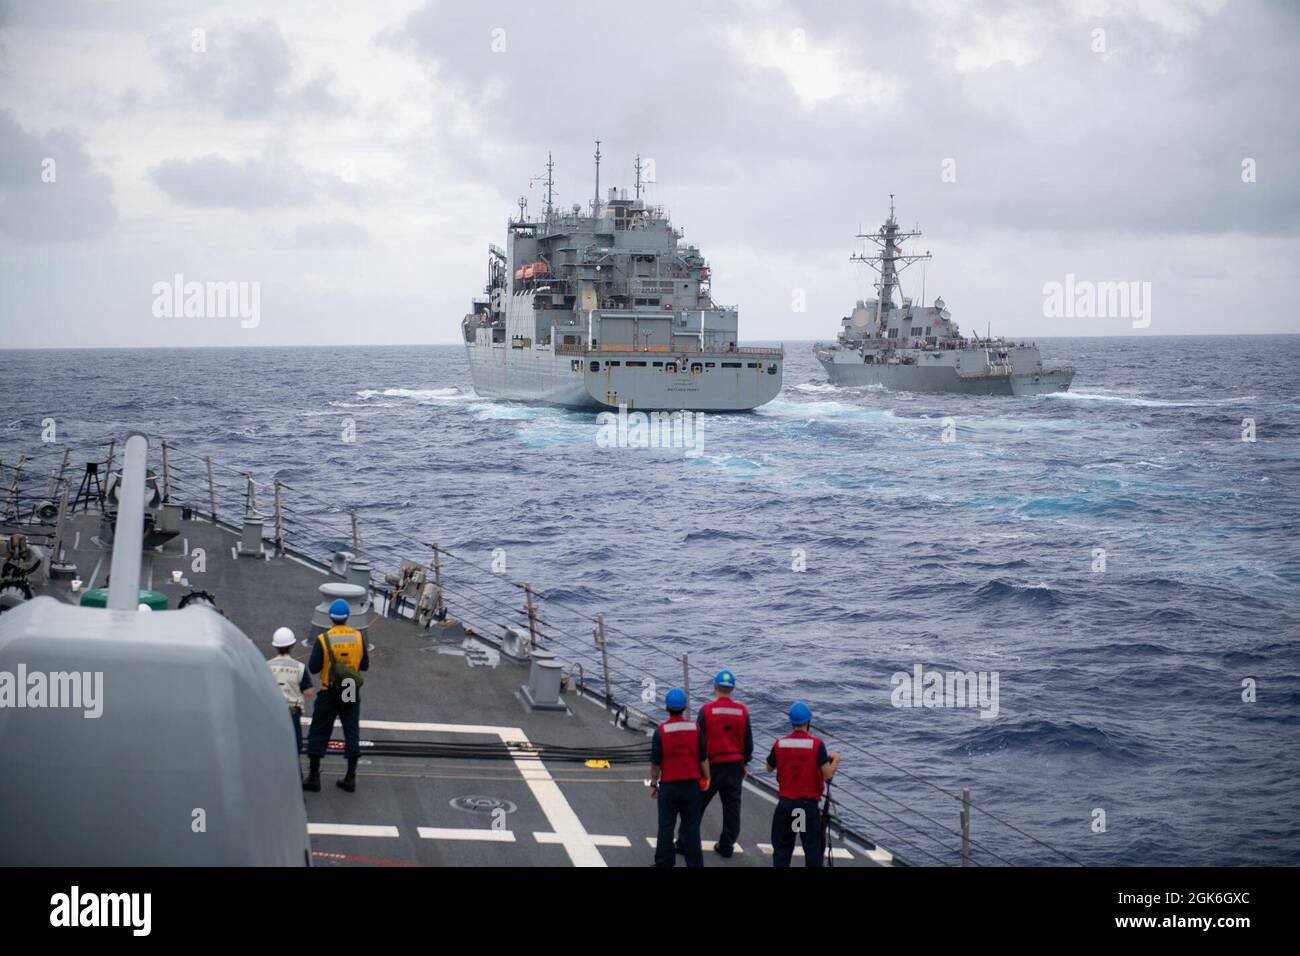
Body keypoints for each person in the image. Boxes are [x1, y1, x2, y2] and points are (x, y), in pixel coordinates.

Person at [303, 599, 369, 793]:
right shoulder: (358, 637)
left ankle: (314, 777)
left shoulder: (324, 639)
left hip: (329, 689)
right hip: (349, 687)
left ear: (330, 617)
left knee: (319, 730)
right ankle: (350, 777)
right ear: (347, 617)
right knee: (350, 729)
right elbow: (364, 665)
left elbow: (313, 668)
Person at [685, 669, 752, 857]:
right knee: (732, 809)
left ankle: (684, 842)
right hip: (734, 767)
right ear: (732, 689)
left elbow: (698, 741)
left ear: (715, 687)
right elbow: (748, 743)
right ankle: (726, 846)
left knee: (696, 805)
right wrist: (744, 763)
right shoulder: (743, 711)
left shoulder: (706, 710)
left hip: (711, 767)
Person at [766, 701, 840, 867]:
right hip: (806, 808)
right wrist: (836, 760)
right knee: (812, 849)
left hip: (786, 806)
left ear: (792, 722)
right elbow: (827, 774)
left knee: (783, 849)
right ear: (808, 722)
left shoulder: (780, 743)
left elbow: (769, 767)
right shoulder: (817, 745)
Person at [650, 687, 708, 867]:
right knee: (692, 828)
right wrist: (707, 778)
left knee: (666, 827)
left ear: (667, 708)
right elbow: (703, 758)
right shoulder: (695, 728)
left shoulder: (661, 731)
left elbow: (656, 764)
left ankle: (664, 863)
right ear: (684, 708)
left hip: (669, 786)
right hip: (691, 786)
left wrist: (654, 783)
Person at [267, 627, 313, 759]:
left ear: (275, 646)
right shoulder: (299, 667)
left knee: (274, 744)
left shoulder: (267, 665)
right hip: (292, 710)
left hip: (273, 710)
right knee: (294, 746)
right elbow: (308, 691)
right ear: (292, 645)